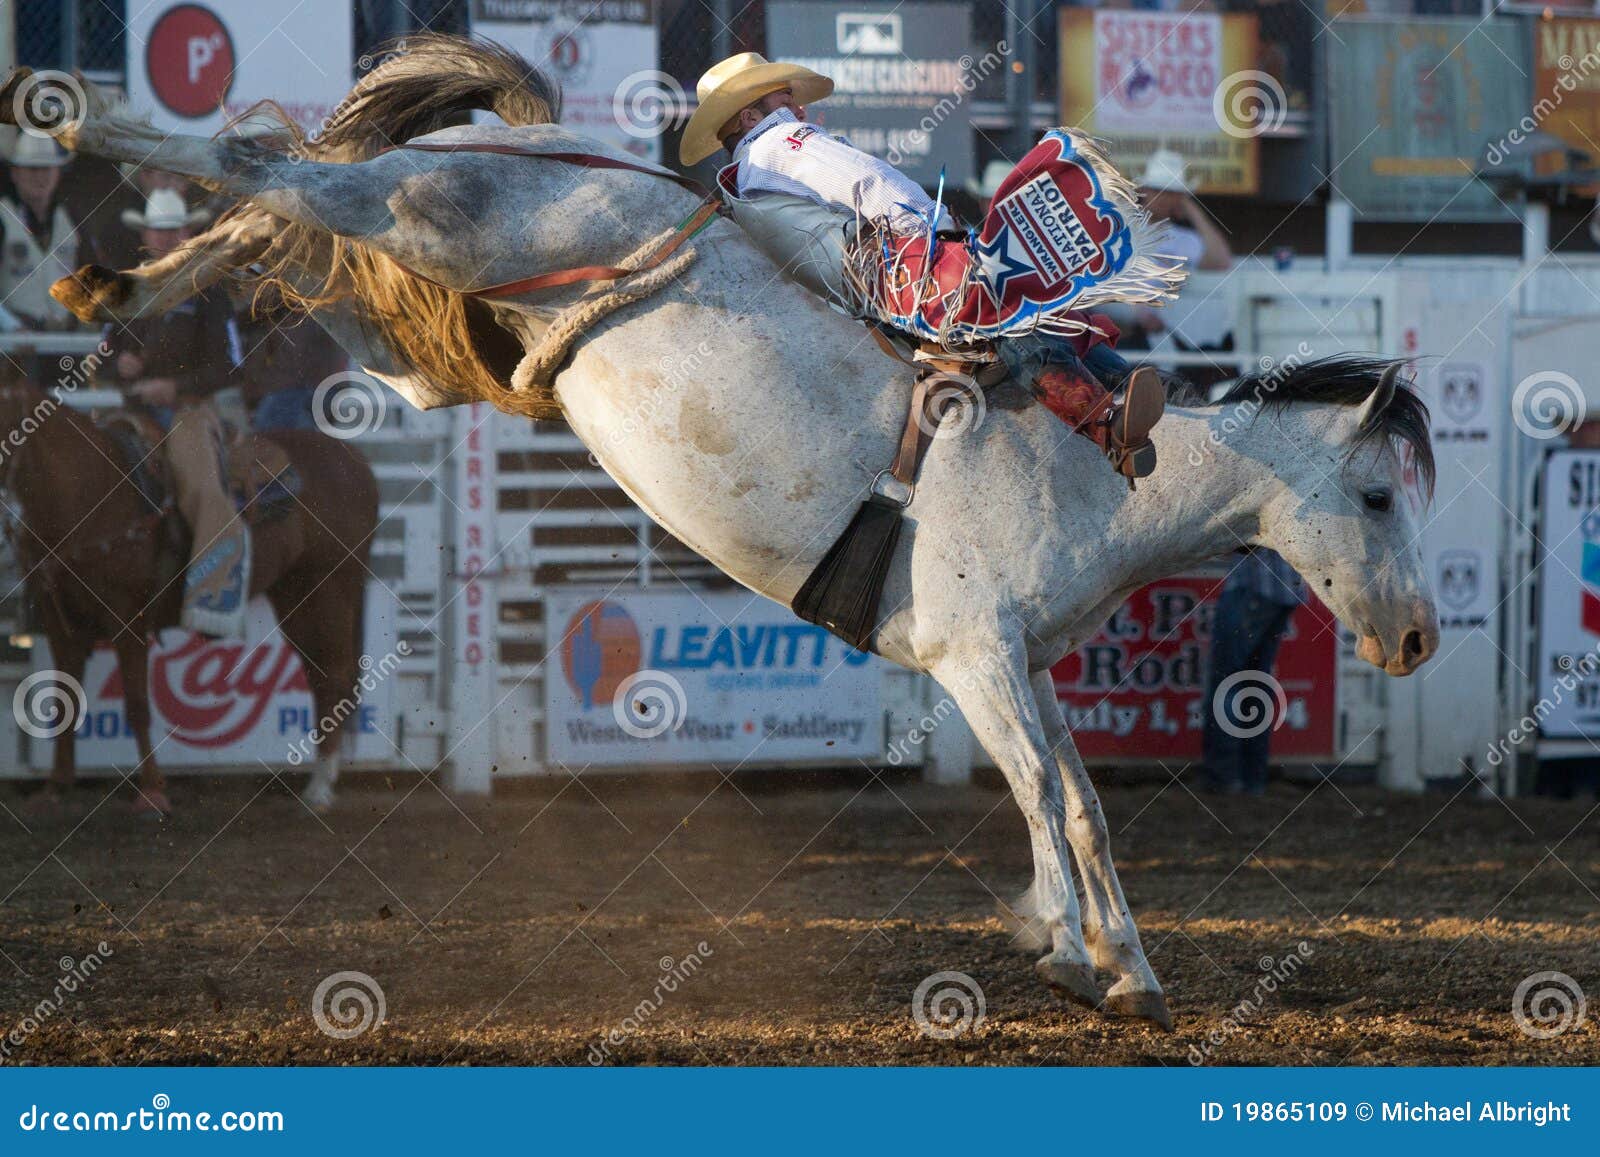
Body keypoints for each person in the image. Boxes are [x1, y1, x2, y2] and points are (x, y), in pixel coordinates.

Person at [679, 53, 1168, 480]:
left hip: (858, 295)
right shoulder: (782, 140)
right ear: (750, 115)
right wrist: (941, 230)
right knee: (1002, 300)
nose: (799, 109)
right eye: (784, 100)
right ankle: (1108, 421)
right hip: (894, 271)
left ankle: (1122, 397)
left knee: (1004, 296)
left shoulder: (741, 180)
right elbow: (868, 184)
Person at [103, 188, 250, 639]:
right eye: (158, 230)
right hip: (134, 412)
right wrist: (116, 363)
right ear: (145, 234)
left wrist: (176, 387)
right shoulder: (128, 287)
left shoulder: (208, 290)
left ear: (187, 233)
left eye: (173, 231)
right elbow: (105, 351)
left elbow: (230, 364)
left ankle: (215, 595)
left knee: (203, 488)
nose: (165, 238)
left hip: (189, 410)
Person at [1202, 548, 1306, 795]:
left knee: (1227, 680)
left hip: (1254, 585)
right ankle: (1252, 777)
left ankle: (1224, 775)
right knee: (1256, 683)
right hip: (1284, 590)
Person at [0, 133, 81, 334]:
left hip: (66, 339)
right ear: (15, 173)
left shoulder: (71, 219)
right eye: (32, 169)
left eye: (46, 168)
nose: (40, 177)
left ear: (58, 173)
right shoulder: (2, 217)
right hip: (14, 344)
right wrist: (12, 326)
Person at [229, 304, 352, 432]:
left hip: (284, 398)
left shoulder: (267, 317)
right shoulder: (330, 312)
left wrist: (251, 397)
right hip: (326, 395)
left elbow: (254, 367)